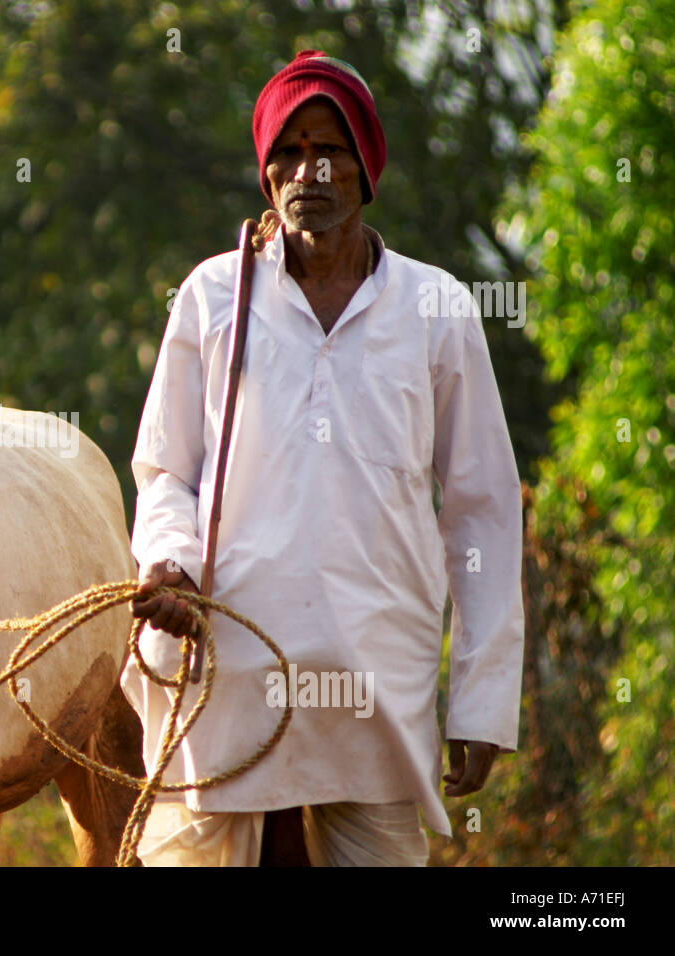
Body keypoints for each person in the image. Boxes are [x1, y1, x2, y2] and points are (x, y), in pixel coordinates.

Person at [124, 50, 525, 866]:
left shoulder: (437, 308)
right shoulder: (210, 296)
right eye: (290, 150)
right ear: (266, 175)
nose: (310, 169)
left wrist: (482, 705)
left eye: (331, 148)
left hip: (374, 691)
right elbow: (167, 470)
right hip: (225, 680)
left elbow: (482, 509)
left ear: (366, 168)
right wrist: (170, 563)